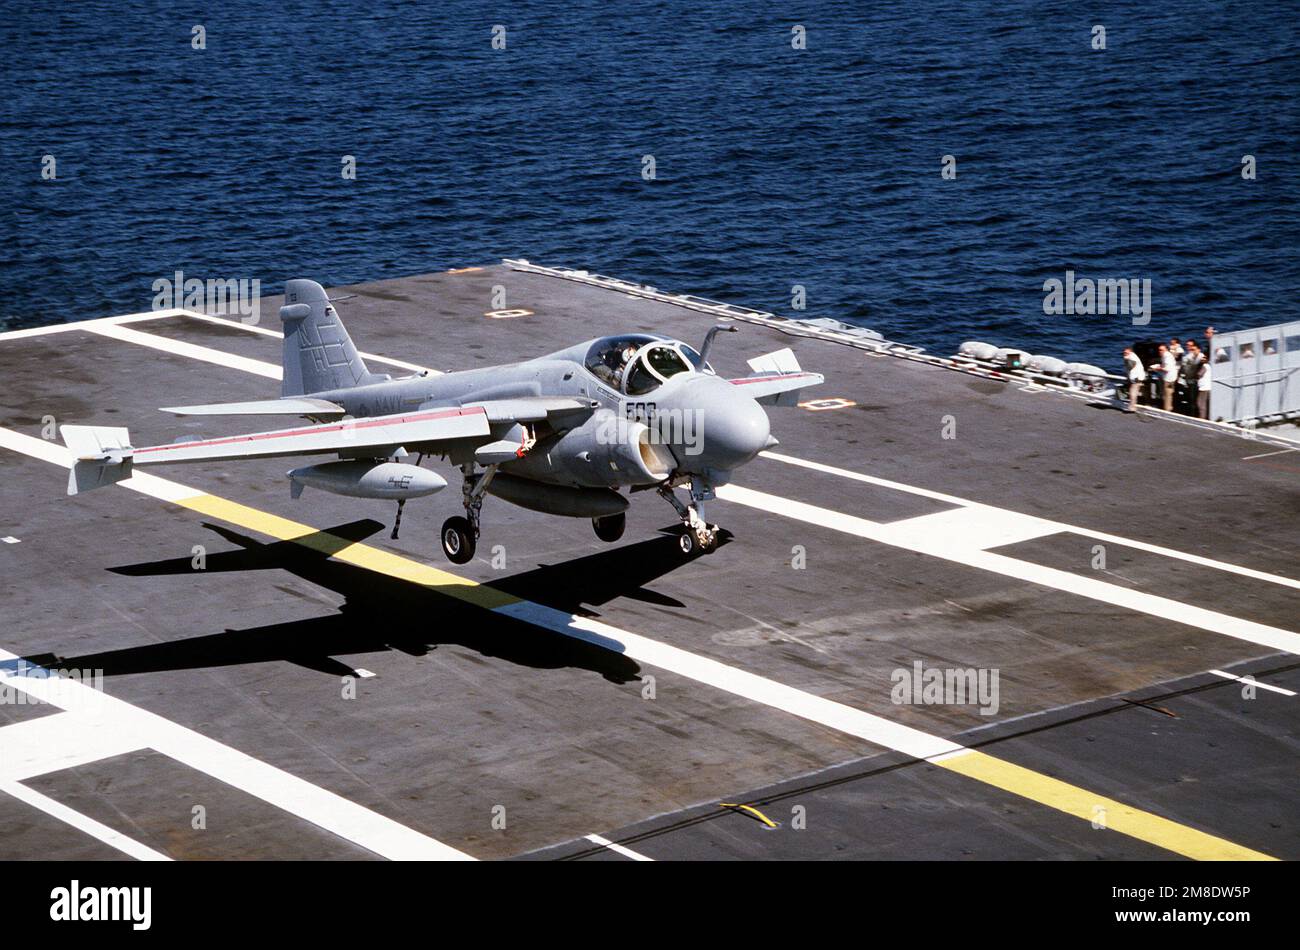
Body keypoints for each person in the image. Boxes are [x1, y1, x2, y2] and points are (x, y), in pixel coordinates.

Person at [1122, 347, 1146, 412]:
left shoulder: (1132, 357)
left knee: (1133, 391)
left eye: (1126, 352)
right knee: (1135, 391)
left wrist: (1126, 359)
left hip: (1136, 377)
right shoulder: (1131, 356)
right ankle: (1133, 405)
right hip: (1138, 376)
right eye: (1124, 353)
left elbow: (1130, 367)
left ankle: (1132, 406)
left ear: (1131, 352)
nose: (1125, 354)